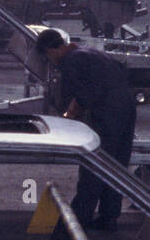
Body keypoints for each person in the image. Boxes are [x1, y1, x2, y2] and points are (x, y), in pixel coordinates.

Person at [36, 28, 137, 229]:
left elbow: (83, 96)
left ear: (52, 50)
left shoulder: (70, 62)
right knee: (116, 166)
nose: (51, 61)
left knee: (94, 166)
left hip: (108, 116)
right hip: (126, 111)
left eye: (48, 57)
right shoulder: (90, 52)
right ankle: (109, 218)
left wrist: (68, 118)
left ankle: (80, 219)